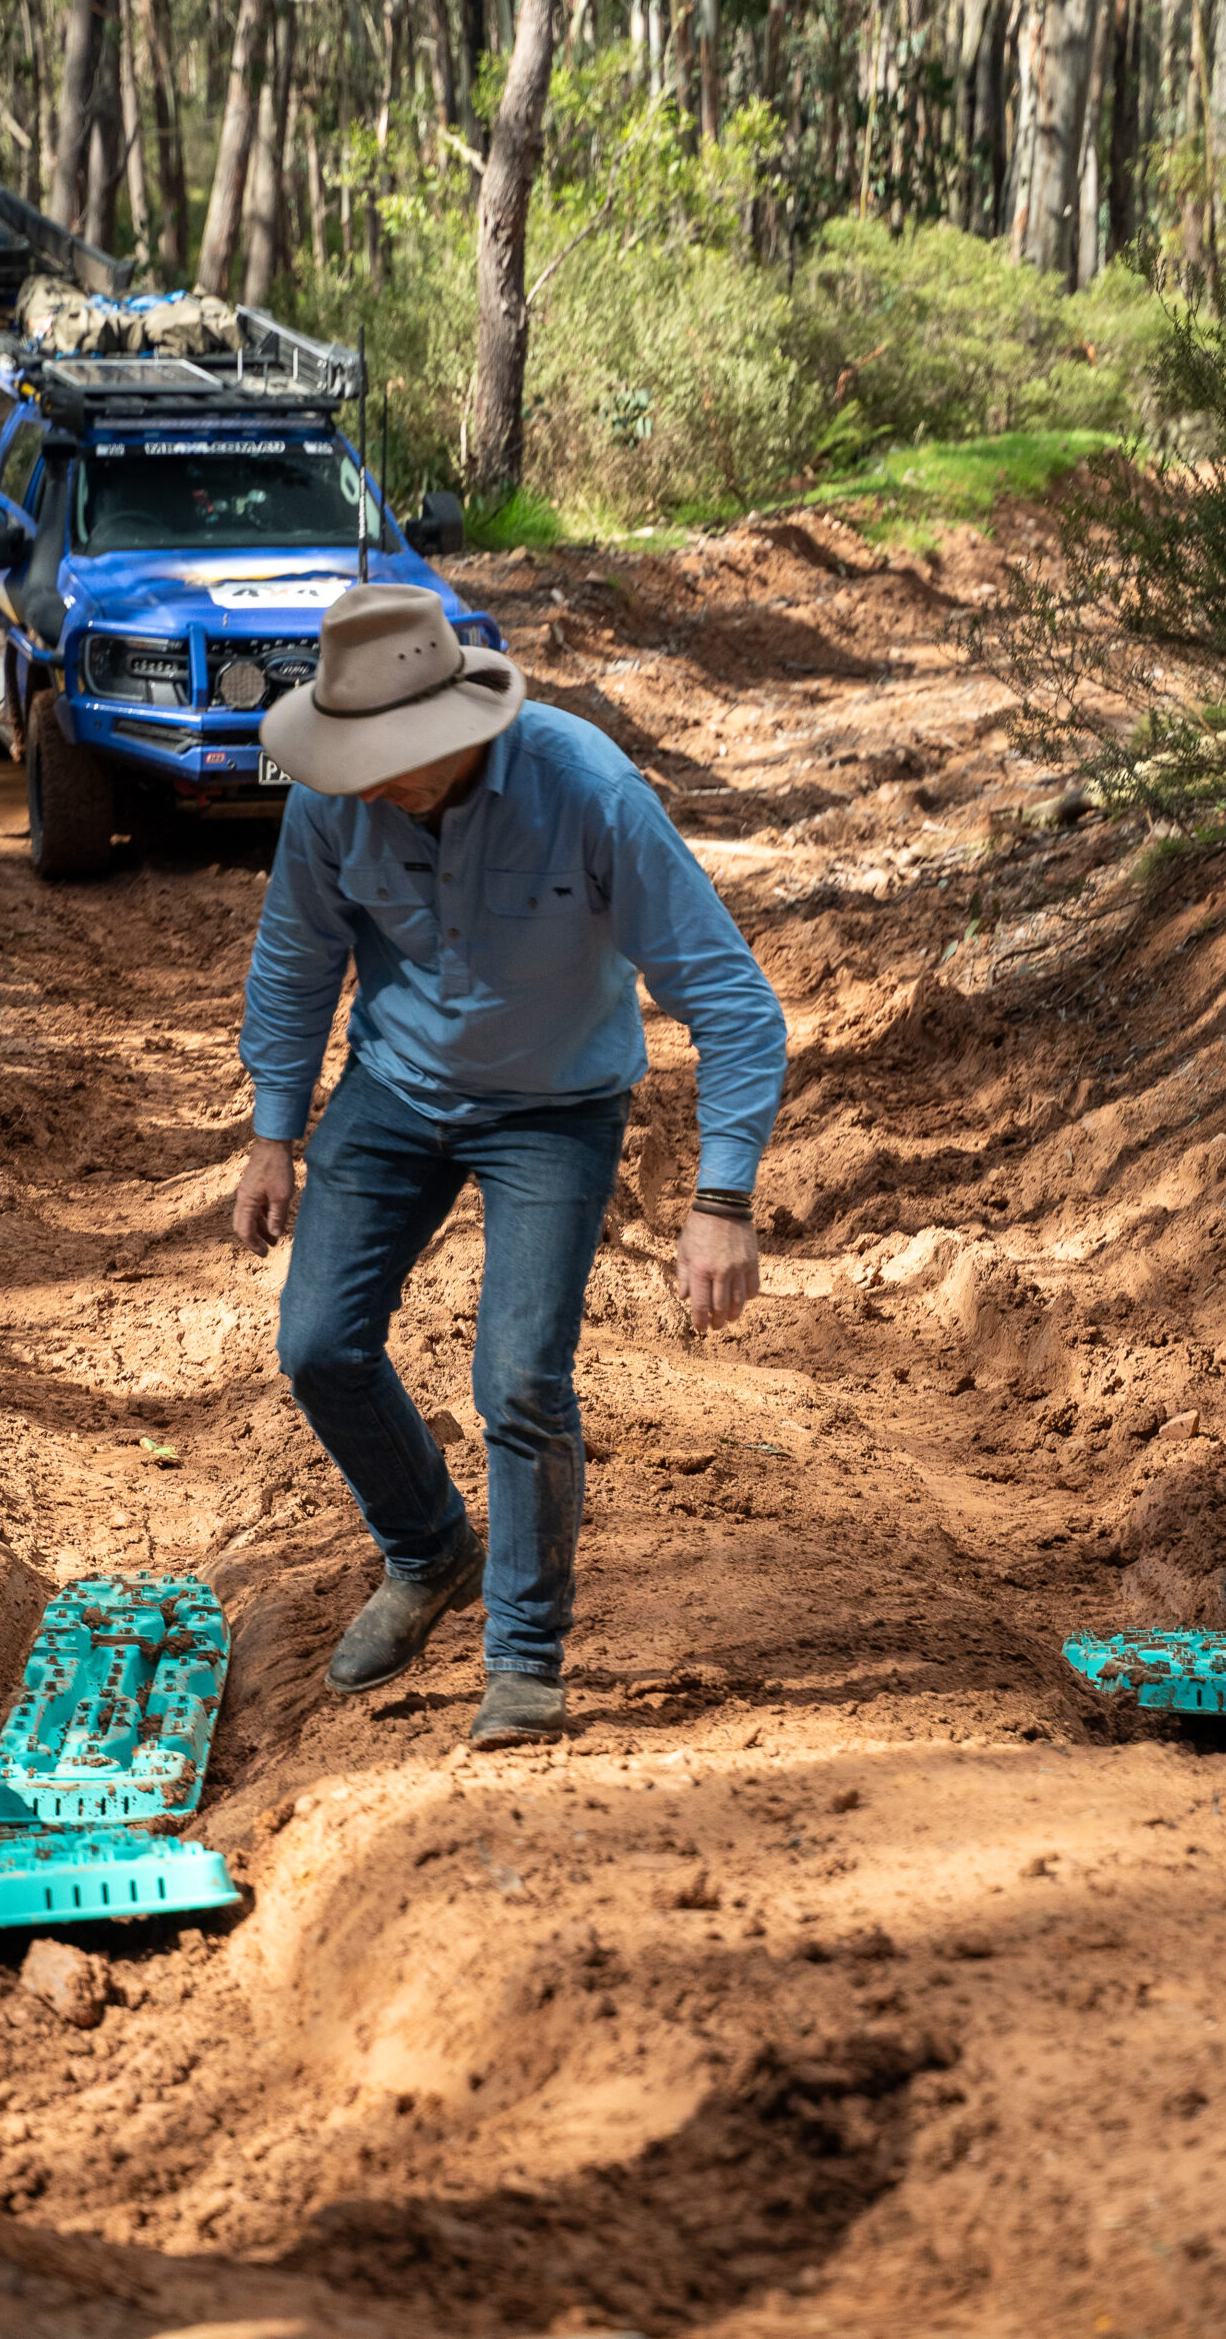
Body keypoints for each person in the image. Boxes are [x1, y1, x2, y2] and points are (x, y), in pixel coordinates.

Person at [230, 581, 787, 1748]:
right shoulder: (336, 801)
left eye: (393, 756)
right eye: (354, 755)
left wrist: (723, 1201)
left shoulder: (587, 792)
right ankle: (431, 1551)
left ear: (460, 727)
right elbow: (294, 959)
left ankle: (525, 1657)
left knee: (521, 1381)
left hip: (555, 1105)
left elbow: (732, 1003)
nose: (370, 780)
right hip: (396, 1086)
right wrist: (273, 1132)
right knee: (318, 1343)